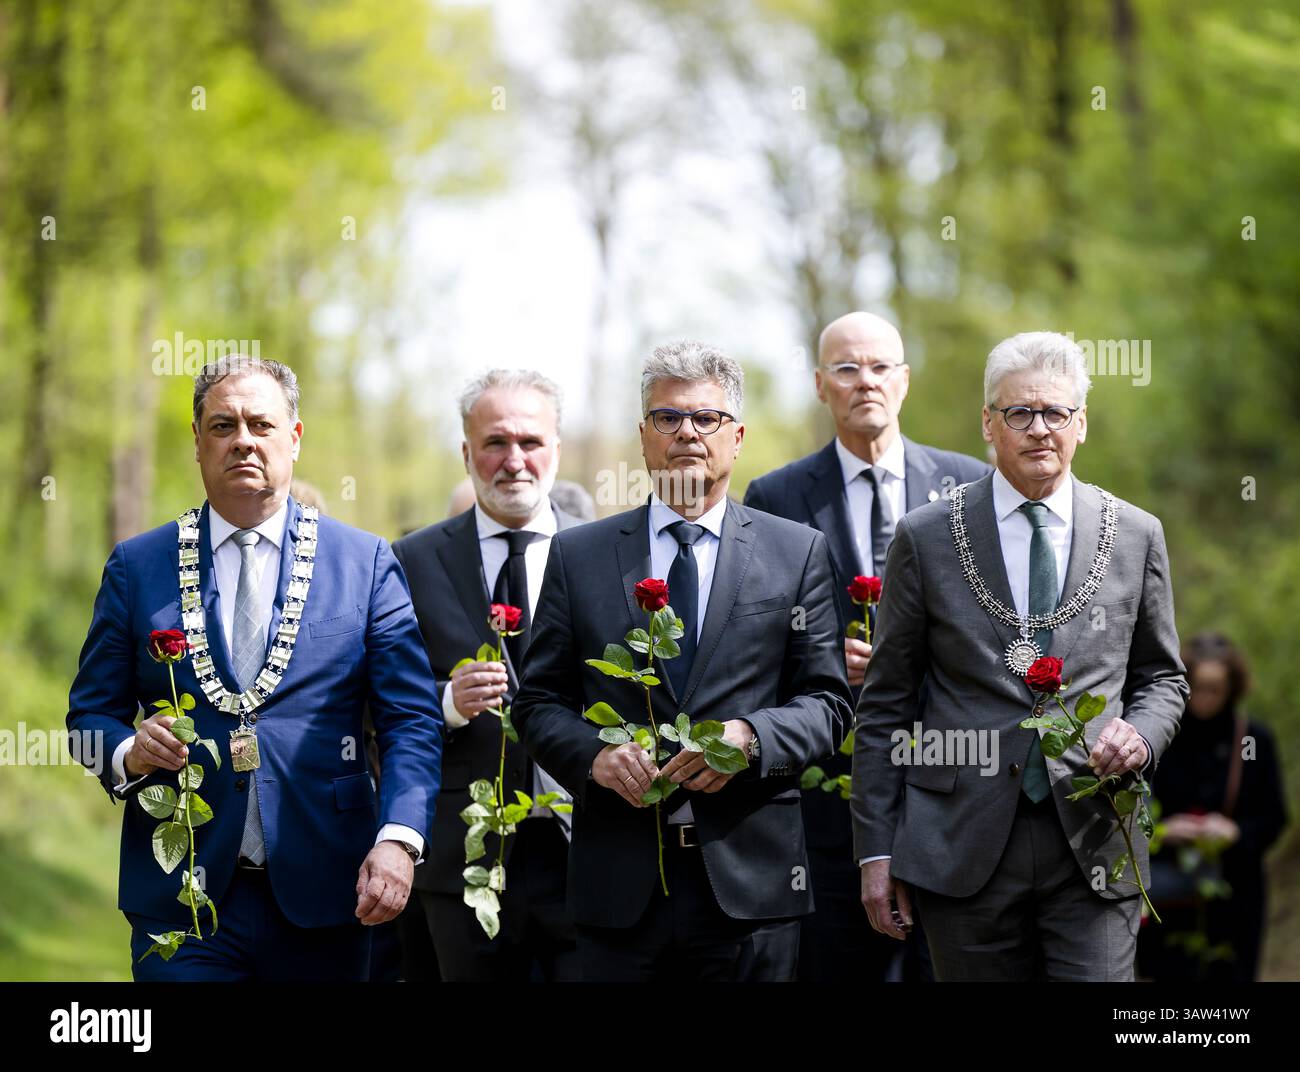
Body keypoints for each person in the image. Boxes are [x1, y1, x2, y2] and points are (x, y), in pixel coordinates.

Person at [66, 355, 442, 981]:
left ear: (294, 438)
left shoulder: (365, 563)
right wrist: (129, 749)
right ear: (197, 442)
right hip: (181, 900)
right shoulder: (140, 565)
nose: (242, 439)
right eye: (222, 425)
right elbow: (87, 715)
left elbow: (411, 722)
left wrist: (399, 839)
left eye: (261, 425)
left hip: (330, 893)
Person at [851, 331, 1188, 981]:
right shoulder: (925, 538)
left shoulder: (1137, 534)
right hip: (959, 847)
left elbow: (1163, 678)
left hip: (1095, 838)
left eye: (1055, 413)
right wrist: (876, 850)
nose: (1039, 429)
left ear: (1081, 424)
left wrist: (1141, 736)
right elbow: (886, 702)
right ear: (988, 422)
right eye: (1019, 413)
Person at [513, 341, 852, 982]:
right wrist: (594, 755)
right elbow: (536, 702)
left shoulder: (797, 552)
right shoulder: (577, 557)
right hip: (619, 892)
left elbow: (830, 704)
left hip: (752, 889)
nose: (687, 433)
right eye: (668, 418)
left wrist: (750, 737)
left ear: (737, 435)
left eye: (706, 418)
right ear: (644, 436)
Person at [744, 311, 989, 981]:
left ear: (904, 380)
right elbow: (763, 641)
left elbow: (999, 628)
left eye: (881, 366)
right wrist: (828, 663)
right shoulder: (776, 495)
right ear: (821, 385)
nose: (866, 381)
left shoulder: (970, 486)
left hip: (956, 785)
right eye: (847, 368)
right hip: (831, 800)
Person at [394, 369, 583, 981]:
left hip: (590, 852)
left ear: (557, 447)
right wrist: (445, 700)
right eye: (496, 442)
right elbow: (379, 703)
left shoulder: (610, 552)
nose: (514, 460)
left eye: (531, 442)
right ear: (466, 451)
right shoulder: (410, 560)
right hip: (462, 860)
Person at [1138, 632, 1287, 981]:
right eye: (1198, 687)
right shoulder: (1157, 738)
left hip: (1233, 896)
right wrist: (1163, 832)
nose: (1205, 698)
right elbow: (1130, 813)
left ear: (1232, 687)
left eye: (1215, 689)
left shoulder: (1252, 740)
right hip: (1167, 898)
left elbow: (1274, 817)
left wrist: (1234, 832)